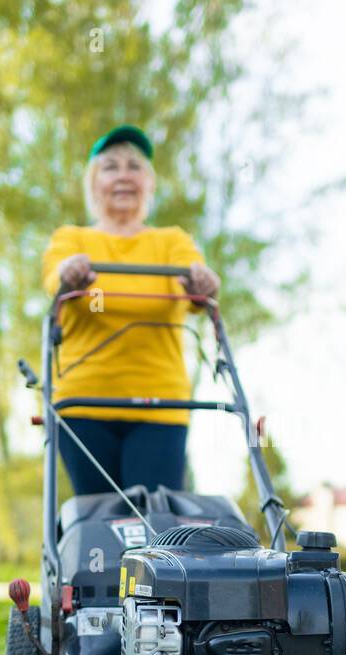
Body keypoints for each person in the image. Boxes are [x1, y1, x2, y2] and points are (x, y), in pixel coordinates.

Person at [40, 124, 220, 496]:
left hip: (160, 406)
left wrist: (203, 284)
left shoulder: (172, 241)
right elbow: (55, 279)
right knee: (97, 515)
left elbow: (200, 289)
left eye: (133, 167)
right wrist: (69, 274)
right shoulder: (72, 239)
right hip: (83, 405)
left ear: (149, 183)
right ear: (94, 184)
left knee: (155, 520)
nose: (123, 175)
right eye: (110, 167)